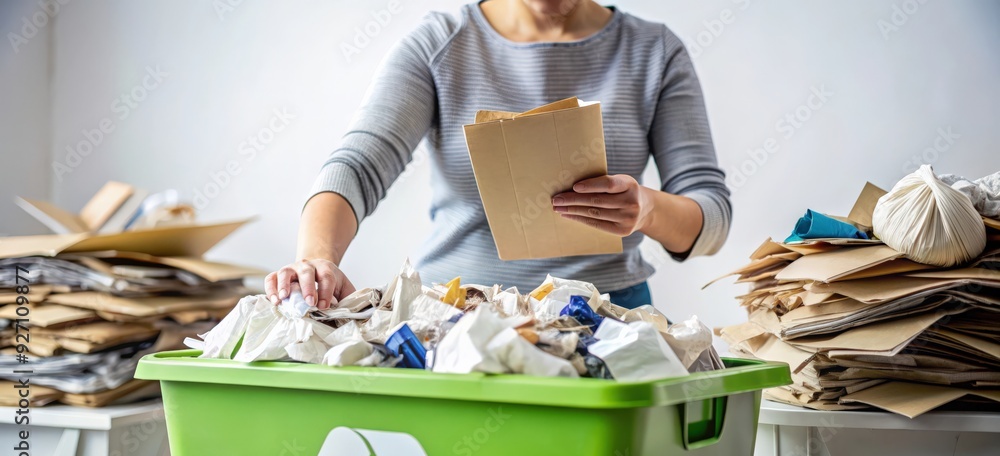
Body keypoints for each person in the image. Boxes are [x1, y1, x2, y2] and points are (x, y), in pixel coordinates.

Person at [265, 0, 731, 311]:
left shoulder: (654, 51)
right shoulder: (441, 43)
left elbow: (711, 214)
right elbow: (360, 165)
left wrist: (646, 209)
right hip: (454, 318)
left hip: (608, 324)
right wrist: (317, 259)